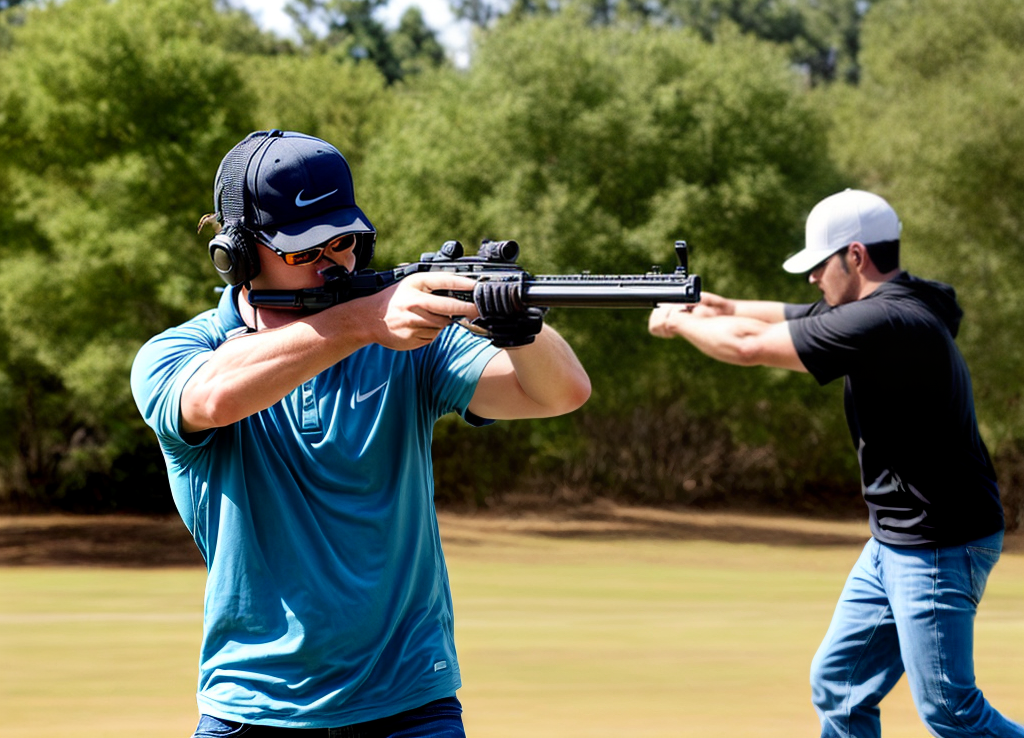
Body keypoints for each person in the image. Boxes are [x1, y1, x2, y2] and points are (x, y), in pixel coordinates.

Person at [131, 129, 591, 737]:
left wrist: (513, 322)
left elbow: (558, 393)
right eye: (305, 250)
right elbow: (211, 398)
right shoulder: (180, 352)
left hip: (410, 703)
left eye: (346, 241)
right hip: (254, 706)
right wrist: (366, 321)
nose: (334, 262)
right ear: (238, 257)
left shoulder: (406, 340)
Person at [648, 189, 1023, 738]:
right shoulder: (913, 299)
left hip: (941, 543)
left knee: (951, 711)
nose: (811, 279)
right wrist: (720, 307)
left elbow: (751, 348)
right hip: (896, 539)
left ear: (854, 256)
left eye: (818, 265)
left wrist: (677, 324)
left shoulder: (884, 323)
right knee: (839, 684)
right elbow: (787, 315)